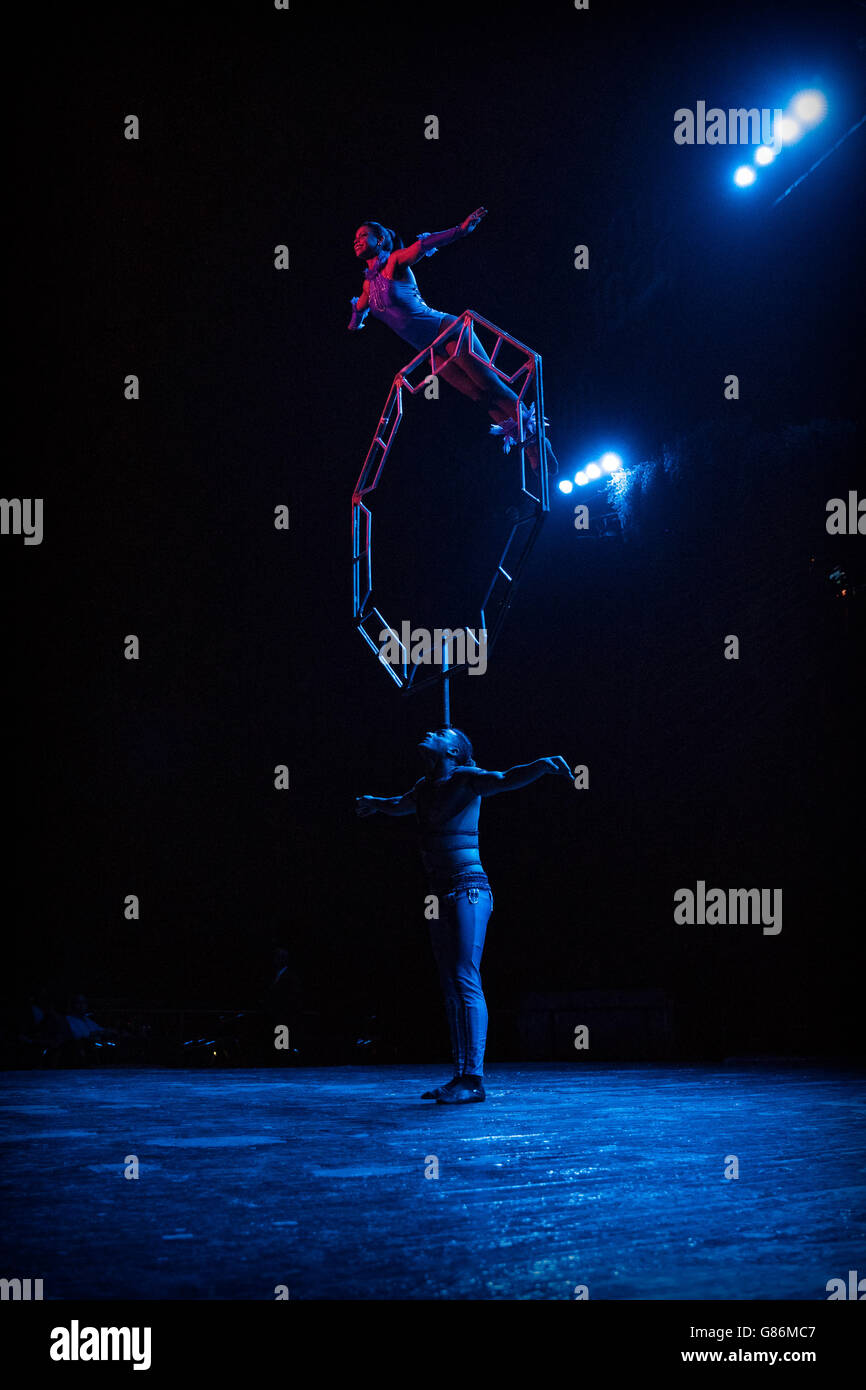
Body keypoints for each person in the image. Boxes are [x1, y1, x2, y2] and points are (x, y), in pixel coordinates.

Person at [356, 727, 571, 1103]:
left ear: (453, 750)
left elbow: (504, 778)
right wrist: (376, 803)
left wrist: (540, 766)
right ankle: (460, 1076)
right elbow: (399, 804)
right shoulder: (423, 787)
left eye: (439, 732)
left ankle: (473, 1079)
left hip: (468, 889)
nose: (428, 732)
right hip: (439, 894)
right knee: (451, 985)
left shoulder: (466, 779)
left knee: (463, 976)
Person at [348, 213, 558, 473]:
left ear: (380, 240)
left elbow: (421, 247)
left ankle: (538, 441)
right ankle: (525, 444)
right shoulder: (368, 285)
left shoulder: (393, 262)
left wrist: (460, 229)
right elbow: (359, 307)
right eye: (355, 237)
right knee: (479, 397)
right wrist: (355, 321)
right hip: (429, 351)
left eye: (362, 235)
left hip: (446, 330)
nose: (356, 240)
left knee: (489, 384)